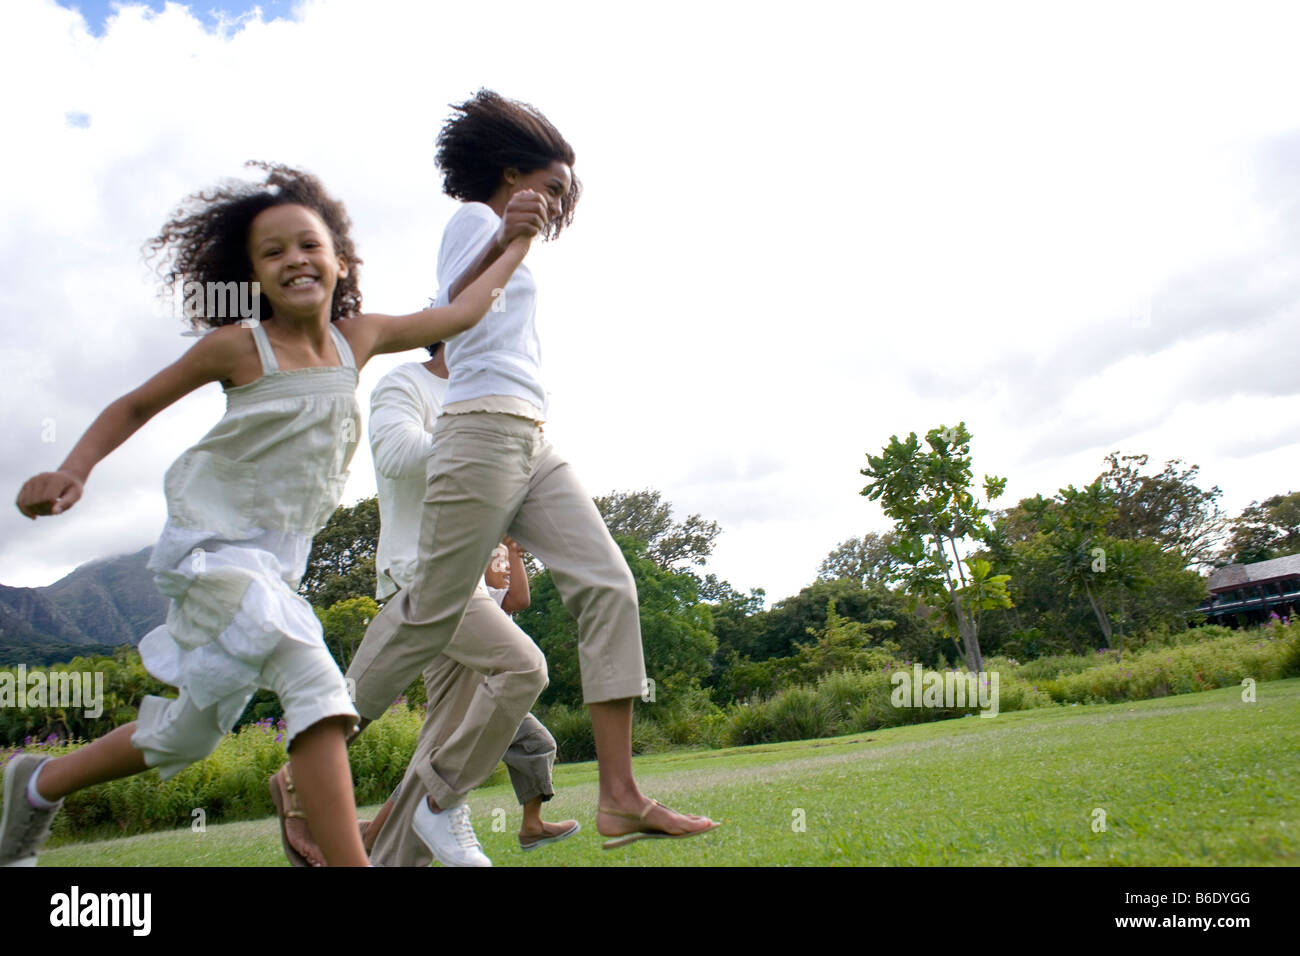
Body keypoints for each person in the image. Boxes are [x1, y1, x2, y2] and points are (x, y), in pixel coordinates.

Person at [2, 162, 544, 868]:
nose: (294, 259)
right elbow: (133, 405)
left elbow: (463, 313)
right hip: (213, 555)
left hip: (272, 571)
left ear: (340, 261)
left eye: (308, 245)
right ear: (252, 275)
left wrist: (515, 243)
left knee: (184, 735)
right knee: (314, 679)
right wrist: (72, 469)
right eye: (273, 251)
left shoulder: (362, 338)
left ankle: (36, 784)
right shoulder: (239, 349)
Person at [343, 90, 718, 851]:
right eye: (547, 187)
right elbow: (458, 303)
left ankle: (620, 796)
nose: (553, 204)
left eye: (559, 196)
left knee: (609, 583)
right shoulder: (474, 221)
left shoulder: (509, 235)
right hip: (478, 427)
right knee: (430, 612)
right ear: (509, 174)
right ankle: (314, 748)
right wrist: (511, 239)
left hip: (531, 432)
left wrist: (522, 241)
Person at [273, 342, 578, 867]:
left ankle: (393, 846)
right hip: (424, 573)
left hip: (469, 586)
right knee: (523, 667)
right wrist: (484, 437)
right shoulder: (405, 385)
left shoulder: (493, 398)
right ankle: (430, 797)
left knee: (435, 746)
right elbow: (396, 455)